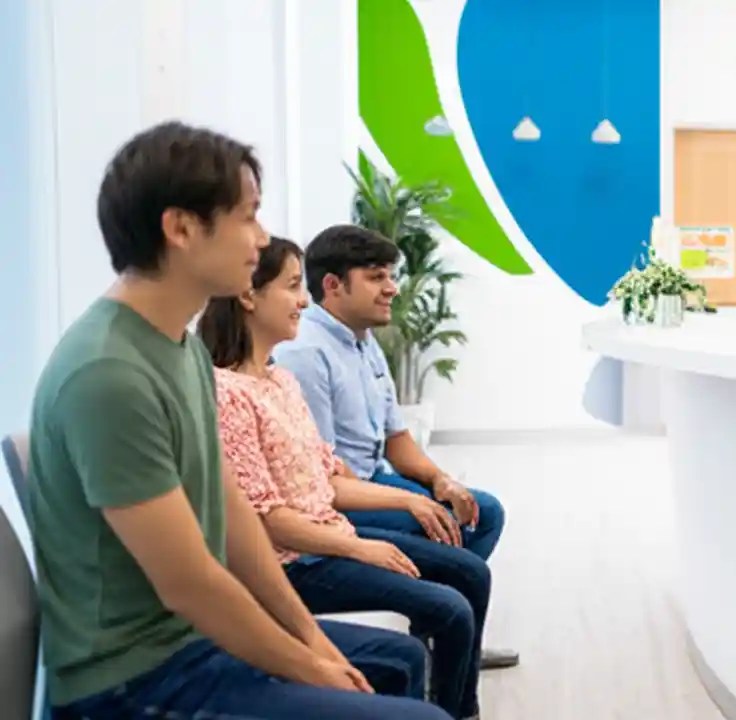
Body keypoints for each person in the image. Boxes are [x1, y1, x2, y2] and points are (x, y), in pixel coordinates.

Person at [27, 121, 448, 720]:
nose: (262, 235)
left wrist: (310, 637)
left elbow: (233, 518)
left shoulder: (178, 348)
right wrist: (311, 666)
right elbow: (191, 582)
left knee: (396, 658)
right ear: (180, 229)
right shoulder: (108, 375)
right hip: (132, 682)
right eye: (248, 216)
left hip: (190, 647)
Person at [197, 235, 486, 720]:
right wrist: (358, 547)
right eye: (292, 287)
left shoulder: (278, 379)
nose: (304, 301)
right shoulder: (228, 393)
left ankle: (455, 707)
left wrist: (411, 501)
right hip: (296, 562)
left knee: (465, 575)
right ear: (249, 297)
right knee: (449, 610)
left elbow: (326, 477)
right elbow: (265, 521)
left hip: (326, 539)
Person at [273, 224, 518, 669]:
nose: (392, 288)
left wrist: (440, 481)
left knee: (483, 511)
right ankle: (447, 632)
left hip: (374, 480)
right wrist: (412, 501)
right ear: (333, 285)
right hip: (338, 498)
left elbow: (397, 440)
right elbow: (321, 479)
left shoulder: (364, 342)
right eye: (377, 277)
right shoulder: (306, 354)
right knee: (443, 532)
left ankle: (445, 636)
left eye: (391, 275)